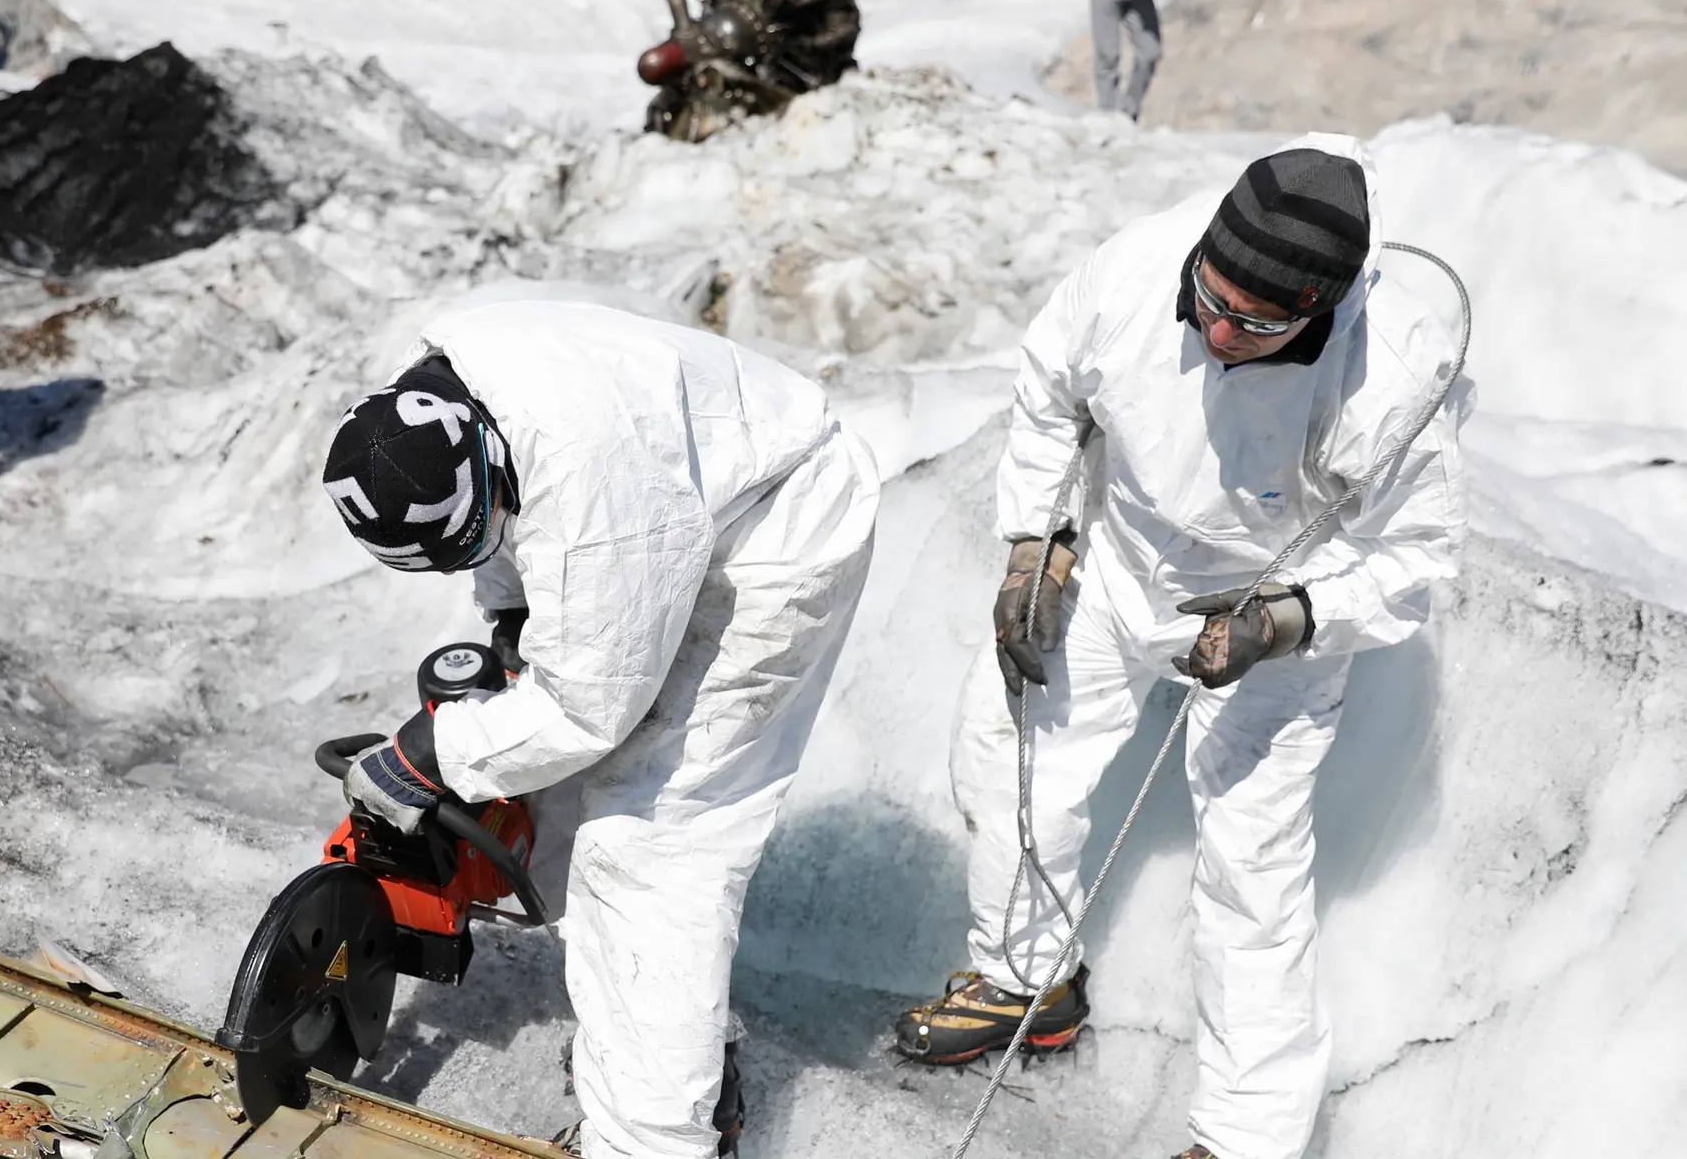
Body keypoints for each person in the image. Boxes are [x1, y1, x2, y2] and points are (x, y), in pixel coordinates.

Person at [893, 137, 1468, 1159]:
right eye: (1205, 297)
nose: (1213, 327)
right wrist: (1036, 547)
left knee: (1249, 867)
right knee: (1007, 754)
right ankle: (1029, 980)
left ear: (1315, 312)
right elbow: (1044, 402)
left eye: (1249, 323)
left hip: (1280, 602)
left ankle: (1245, 1137)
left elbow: (1412, 562)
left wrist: (1280, 623)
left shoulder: (1393, 374)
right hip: (1122, 565)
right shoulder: (1128, 270)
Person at [321, 301, 881, 1159]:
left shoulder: (596, 487)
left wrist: (439, 751)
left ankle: (657, 1139)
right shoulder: (428, 405)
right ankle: (669, 1043)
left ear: (487, 459)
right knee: (562, 799)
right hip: (671, 502)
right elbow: (516, 538)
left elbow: (590, 706)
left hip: (774, 529)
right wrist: (509, 625)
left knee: (651, 838)